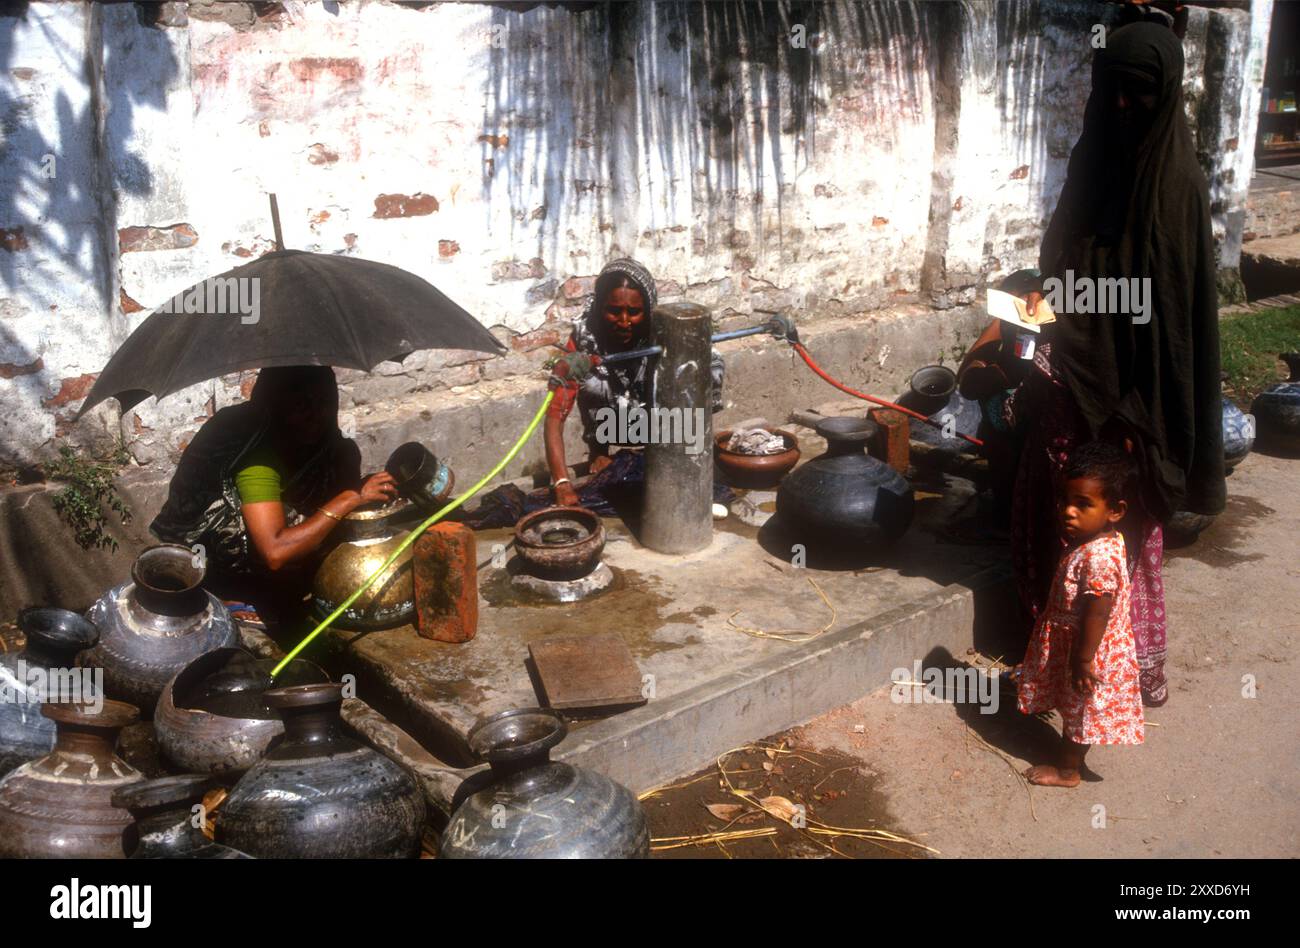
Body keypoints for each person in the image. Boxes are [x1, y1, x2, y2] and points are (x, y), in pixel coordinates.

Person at [1007, 22, 1224, 706]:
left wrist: (1139, 411)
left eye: (1140, 95)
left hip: (1132, 402)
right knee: (1055, 515)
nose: (1124, 108)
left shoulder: (1174, 188)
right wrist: (1039, 313)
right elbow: (1065, 269)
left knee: (1114, 541)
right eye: (1113, 93)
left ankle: (1104, 679)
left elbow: (1172, 331)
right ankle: (1046, 655)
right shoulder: (1093, 165)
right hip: (1070, 379)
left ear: (1164, 98)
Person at [150, 365, 397, 624]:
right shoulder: (255, 456)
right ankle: (230, 593)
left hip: (278, 548)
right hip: (213, 559)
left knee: (345, 454)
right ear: (276, 407)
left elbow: (341, 511)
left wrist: (369, 494)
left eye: (325, 402)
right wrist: (351, 496)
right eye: (301, 406)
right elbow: (275, 552)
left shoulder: (329, 447)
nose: (316, 415)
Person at [543, 258, 724, 507]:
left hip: (663, 432)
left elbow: (698, 405)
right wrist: (562, 483)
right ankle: (600, 452)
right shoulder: (586, 339)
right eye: (614, 311)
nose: (624, 320)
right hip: (610, 428)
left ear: (648, 309)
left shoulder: (666, 333)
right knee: (597, 382)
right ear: (599, 307)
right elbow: (555, 415)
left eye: (634, 312)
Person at [1016, 442, 1145, 787]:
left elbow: (1097, 614)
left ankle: (1068, 771)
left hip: (1089, 649)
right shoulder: (1101, 541)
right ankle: (1069, 758)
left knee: (1081, 713)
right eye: (1064, 501)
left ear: (1115, 510)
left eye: (1082, 504)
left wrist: (1082, 660)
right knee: (1076, 707)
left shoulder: (1098, 558)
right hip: (1085, 645)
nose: (1067, 511)